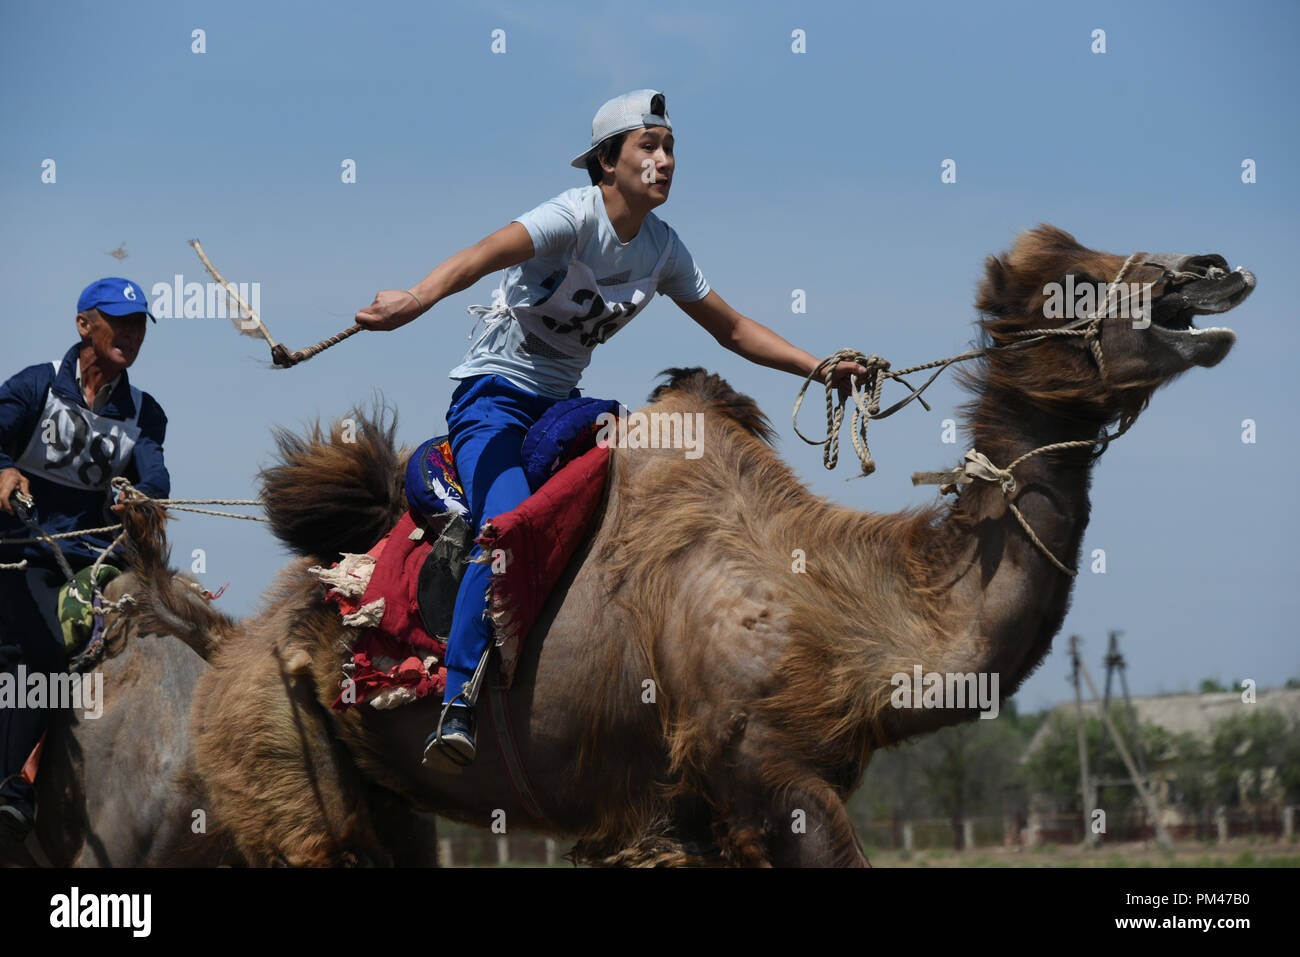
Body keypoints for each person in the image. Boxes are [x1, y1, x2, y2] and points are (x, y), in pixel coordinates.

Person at [355, 90, 865, 771]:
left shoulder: (664, 250)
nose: (664, 160)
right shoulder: (570, 219)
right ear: (606, 163)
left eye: (670, 147)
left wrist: (817, 365)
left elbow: (734, 329)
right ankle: (457, 700)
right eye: (647, 147)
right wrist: (415, 299)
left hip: (561, 407)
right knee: (505, 526)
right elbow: (479, 255)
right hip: (493, 403)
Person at [0, 278, 169, 844]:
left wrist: (142, 497)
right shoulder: (35, 384)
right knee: (40, 646)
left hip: (94, 564)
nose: (131, 333)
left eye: (139, 323)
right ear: (83, 326)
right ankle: (11, 789)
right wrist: (3, 468)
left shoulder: (145, 412)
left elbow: (156, 475)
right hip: (19, 555)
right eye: (119, 321)